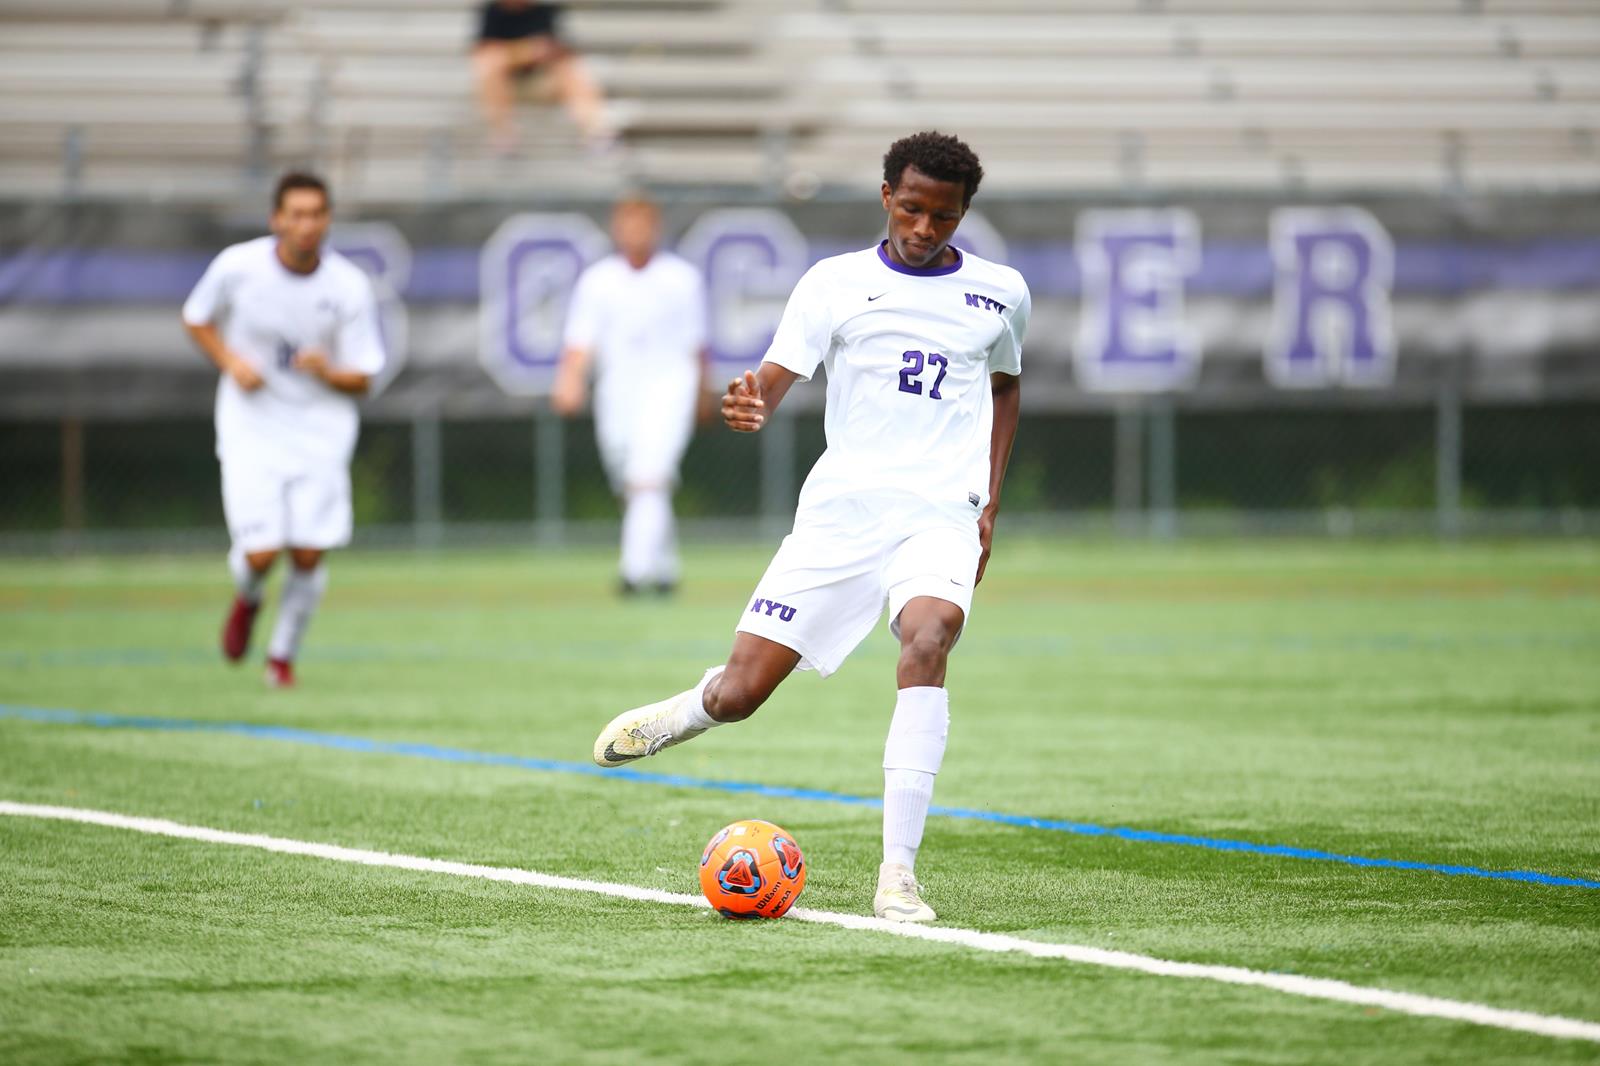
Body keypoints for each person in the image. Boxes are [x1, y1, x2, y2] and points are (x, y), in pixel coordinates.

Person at [591, 131, 1029, 923]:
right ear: (887, 194)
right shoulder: (833, 284)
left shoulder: (1000, 293)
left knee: (927, 638)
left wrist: (988, 499)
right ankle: (687, 710)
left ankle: (898, 873)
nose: (926, 229)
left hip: (940, 516)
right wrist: (747, 400)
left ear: (964, 213)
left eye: (946, 216)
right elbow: (773, 377)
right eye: (913, 208)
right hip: (841, 521)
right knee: (742, 693)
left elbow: (1005, 387)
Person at [181, 172, 385, 688]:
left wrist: (328, 371)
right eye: (296, 214)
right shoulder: (238, 266)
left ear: (328, 219)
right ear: (276, 219)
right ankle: (248, 597)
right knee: (261, 552)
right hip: (252, 425)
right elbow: (196, 316)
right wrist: (231, 362)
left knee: (309, 553)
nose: (306, 225)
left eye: (316, 213)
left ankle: (281, 658)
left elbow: (365, 376)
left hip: (320, 430)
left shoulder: (348, 287)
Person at [553, 197, 708, 595]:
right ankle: (665, 569)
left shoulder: (681, 279)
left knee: (648, 478)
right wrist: (569, 380)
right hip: (617, 391)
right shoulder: (598, 281)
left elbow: (698, 345)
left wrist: (703, 393)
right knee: (631, 483)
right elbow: (579, 342)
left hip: (670, 387)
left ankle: (633, 573)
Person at [471, 0, 612, 155]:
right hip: (507, 84)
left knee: (571, 71)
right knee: (490, 63)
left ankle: (595, 133)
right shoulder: (492, 11)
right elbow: (484, 53)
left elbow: (563, 51)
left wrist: (539, 52)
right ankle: (502, 134)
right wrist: (524, 51)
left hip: (543, 80)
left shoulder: (545, 11)